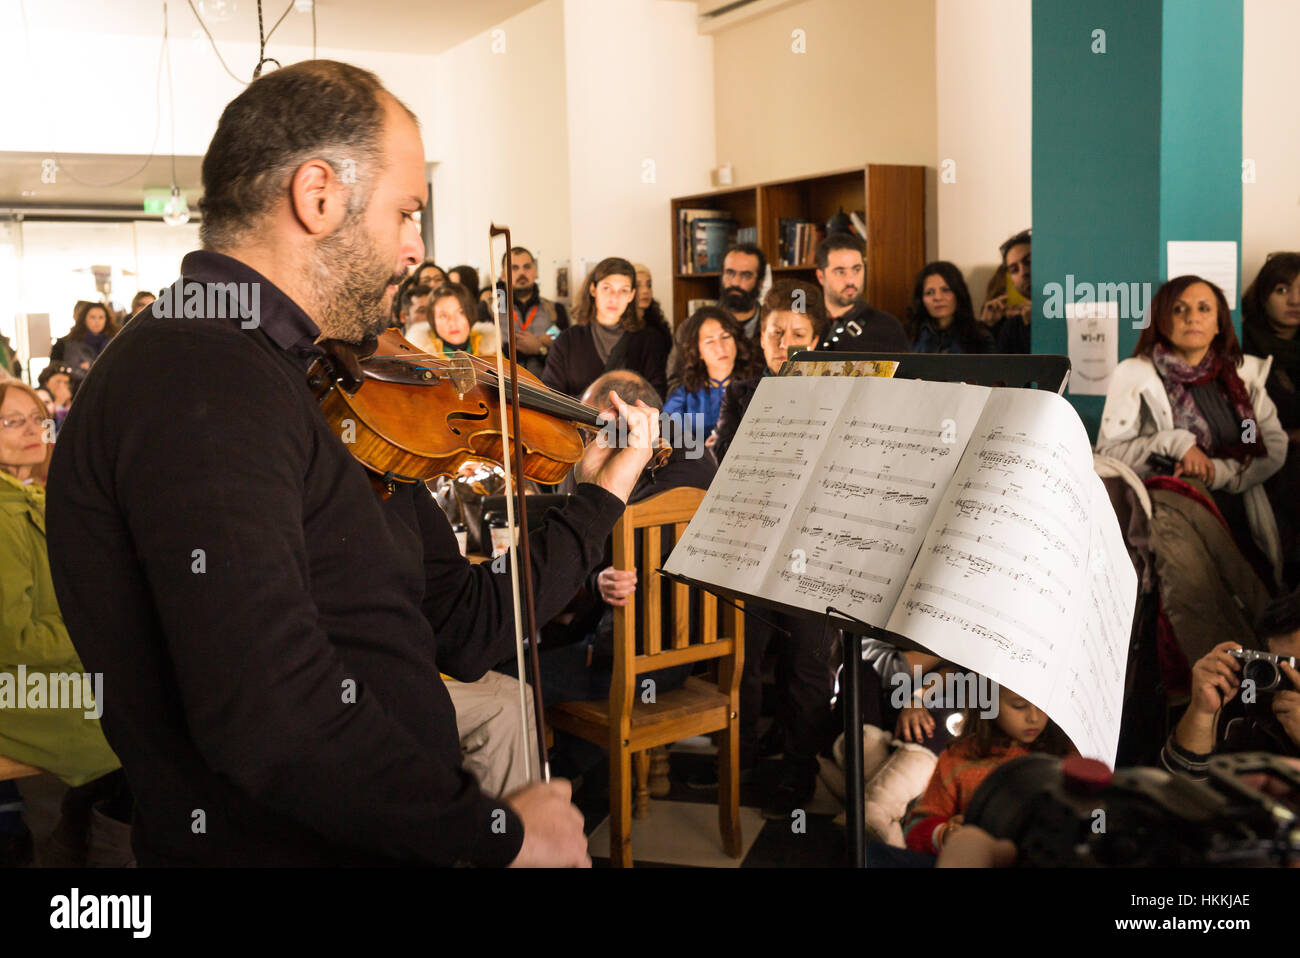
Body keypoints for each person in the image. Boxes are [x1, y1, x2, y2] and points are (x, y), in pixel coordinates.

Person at [44, 59, 662, 868]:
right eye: (407, 212)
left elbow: (468, 622)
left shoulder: (316, 382)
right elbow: (270, 714)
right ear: (320, 196)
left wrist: (604, 493)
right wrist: (498, 836)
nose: (415, 248)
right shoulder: (197, 377)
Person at [506, 370, 715, 779]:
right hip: (693, 648)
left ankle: (550, 790)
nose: (584, 440)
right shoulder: (697, 454)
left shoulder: (631, 472)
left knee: (507, 674)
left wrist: (590, 580)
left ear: (614, 415)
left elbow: (588, 562)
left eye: (588, 426)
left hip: (632, 657)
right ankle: (577, 781)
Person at [0, 379, 128, 867]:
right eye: (12, 421)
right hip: (20, 687)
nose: (31, 429)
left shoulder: (33, 495)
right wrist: (99, 625)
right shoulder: (5, 514)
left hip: (52, 671)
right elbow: (15, 641)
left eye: (37, 417)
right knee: (133, 725)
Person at [1096, 275, 1287, 590]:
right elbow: (1110, 456)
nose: (1192, 317)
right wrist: (1177, 444)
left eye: (1203, 308)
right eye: (1179, 309)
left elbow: (1260, 445)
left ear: (1219, 323)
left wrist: (1217, 472)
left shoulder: (1241, 386)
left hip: (1242, 515)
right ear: (1161, 320)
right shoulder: (1135, 375)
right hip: (1173, 522)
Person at [901, 685, 1072, 855]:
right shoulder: (959, 758)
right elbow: (914, 829)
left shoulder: (1068, 758)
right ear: (987, 700)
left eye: (1044, 705)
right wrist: (946, 834)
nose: (1034, 718)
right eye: (1019, 705)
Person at [1161, 590, 1300, 779]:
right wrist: (1202, 712)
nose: (1284, 683)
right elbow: (1180, 791)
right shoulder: (1255, 698)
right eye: (1278, 664)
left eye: (1296, 669)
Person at [713, 279, 827, 463]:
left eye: (798, 335)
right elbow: (721, 456)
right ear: (762, 339)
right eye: (776, 333)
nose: (783, 344)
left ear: (813, 343)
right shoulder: (736, 393)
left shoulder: (830, 394)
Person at [1241, 252, 1300, 588]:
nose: (1294, 300)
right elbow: (1244, 419)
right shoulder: (1244, 348)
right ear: (1263, 294)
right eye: (1282, 290)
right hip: (1268, 463)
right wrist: (1256, 444)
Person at [542, 257, 669, 400]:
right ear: (593, 289)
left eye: (623, 290)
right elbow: (551, 395)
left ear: (632, 295)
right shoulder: (566, 341)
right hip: (574, 422)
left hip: (628, 422)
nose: (614, 298)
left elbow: (656, 395)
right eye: (607, 288)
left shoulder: (650, 340)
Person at [662, 306, 757, 447]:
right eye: (709, 341)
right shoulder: (683, 397)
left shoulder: (757, 389)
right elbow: (665, 443)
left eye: (725, 337)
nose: (720, 348)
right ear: (697, 351)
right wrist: (702, 450)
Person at [481, 247, 570, 378]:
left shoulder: (556, 310)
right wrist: (540, 344)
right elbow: (485, 357)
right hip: (499, 392)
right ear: (503, 276)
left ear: (535, 272)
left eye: (527, 267)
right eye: (514, 268)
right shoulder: (489, 310)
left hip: (545, 391)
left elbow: (566, 358)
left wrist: (539, 349)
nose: (522, 272)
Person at [814, 233, 910, 353]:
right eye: (840, 272)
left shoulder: (887, 328)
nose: (850, 280)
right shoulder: (806, 326)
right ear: (821, 276)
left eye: (856, 269)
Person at [904, 261, 992, 354]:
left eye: (945, 290)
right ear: (921, 299)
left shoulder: (980, 338)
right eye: (929, 292)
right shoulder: (908, 336)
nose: (938, 298)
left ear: (958, 293)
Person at [978, 229, 1032, 353]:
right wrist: (987, 328)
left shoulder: (1065, 308)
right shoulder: (1012, 327)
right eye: (1014, 269)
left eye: (1029, 262)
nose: (1023, 272)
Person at [407, 282, 487, 357]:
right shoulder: (420, 360)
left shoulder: (494, 354)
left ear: (471, 313)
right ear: (433, 320)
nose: (452, 322)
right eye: (443, 316)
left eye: (460, 312)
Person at [50, 302, 119, 384]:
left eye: (101, 317)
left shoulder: (115, 341)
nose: (97, 321)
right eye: (92, 317)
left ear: (106, 320)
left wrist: (89, 366)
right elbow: (70, 370)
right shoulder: (69, 343)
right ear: (84, 319)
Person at [718, 243, 766, 341]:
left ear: (760, 283)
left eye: (745, 275)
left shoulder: (774, 328)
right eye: (730, 273)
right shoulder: (696, 326)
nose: (735, 283)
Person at [633, 262, 672, 357]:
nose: (645, 291)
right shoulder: (619, 329)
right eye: (638, 286)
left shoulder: (657, 325)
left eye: (649, 285)